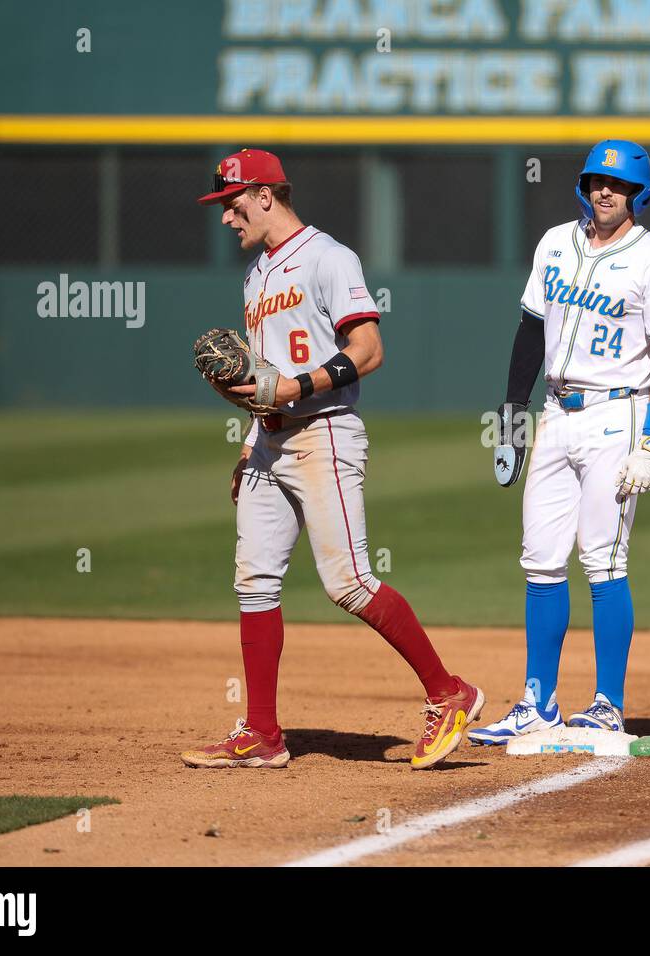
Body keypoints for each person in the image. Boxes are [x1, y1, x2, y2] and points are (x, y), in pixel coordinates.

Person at [181, 148, 484, 770]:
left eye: (233, 204)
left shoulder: (328, 257)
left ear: (266, 195)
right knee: (255, 580)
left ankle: (449, 691)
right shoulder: (255, 274)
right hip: (270, 442)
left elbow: (368, 349)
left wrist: (295, 389)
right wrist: (249, 442)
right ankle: (262, 733)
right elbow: (265, 378)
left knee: (347, 581)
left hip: (323, 433)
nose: (226, 218)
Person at [469, 140, 650, 743]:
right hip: (556, 414)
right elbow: (530, 330)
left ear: (637, 194)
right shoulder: (554, 243)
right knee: (540, 560)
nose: (604, 191)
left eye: (616, 184)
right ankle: (536, 703)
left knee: (604, 559)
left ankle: (607, 704)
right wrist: (513, 411)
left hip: (618, 415)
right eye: (596, 180)